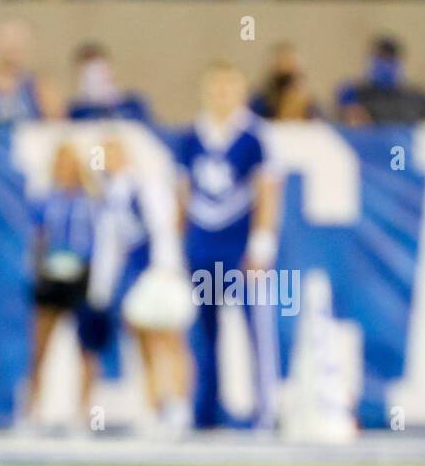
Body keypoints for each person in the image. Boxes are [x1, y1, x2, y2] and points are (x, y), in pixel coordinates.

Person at [174, 61, 282, 432]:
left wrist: (262, 244)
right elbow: (183, 193)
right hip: (202, 248)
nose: (221, 95)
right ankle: (205, 412)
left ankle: (265, 411)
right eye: (215, 87)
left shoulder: (254, 137)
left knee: (256, 330)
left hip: (240, 249)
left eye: (228, 87)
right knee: (204, 335)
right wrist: (178, 246)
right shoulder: (192, 136)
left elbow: (267, 191)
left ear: (240, 91)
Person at [91, 137, 192, 438]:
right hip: (133, 277)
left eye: (112, 152)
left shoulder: (145, 187)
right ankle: (154, 406)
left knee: (169, 339)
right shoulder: (111, 195)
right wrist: (101, 290)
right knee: (144, 344)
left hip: (157, 272)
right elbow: (109, 246)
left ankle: (179, 404)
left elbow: (164, 229)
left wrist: (165, 270)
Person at [24, 142, 97, 430]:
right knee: (40, 347)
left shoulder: (90, 200)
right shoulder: (45, 200)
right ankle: (32, 411)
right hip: (52, 277)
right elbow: (37, 239)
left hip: (81, 277)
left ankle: (84, 413)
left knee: (86, 348)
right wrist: (38, 269)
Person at [337, 36, 425, 126]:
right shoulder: (353, 93)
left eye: (389, 60)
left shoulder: (417, 98)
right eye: (381, 58)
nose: (385, 65)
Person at [66, 43, 151, 123]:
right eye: (88, 74)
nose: (96, 79)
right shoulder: (77, 111)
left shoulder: (132, 104)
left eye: (99, 71)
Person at [250, 42, 319, 121]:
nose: (286, 67)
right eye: (282, 62)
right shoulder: (260, 101)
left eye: (290, 62)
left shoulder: (308, 100)